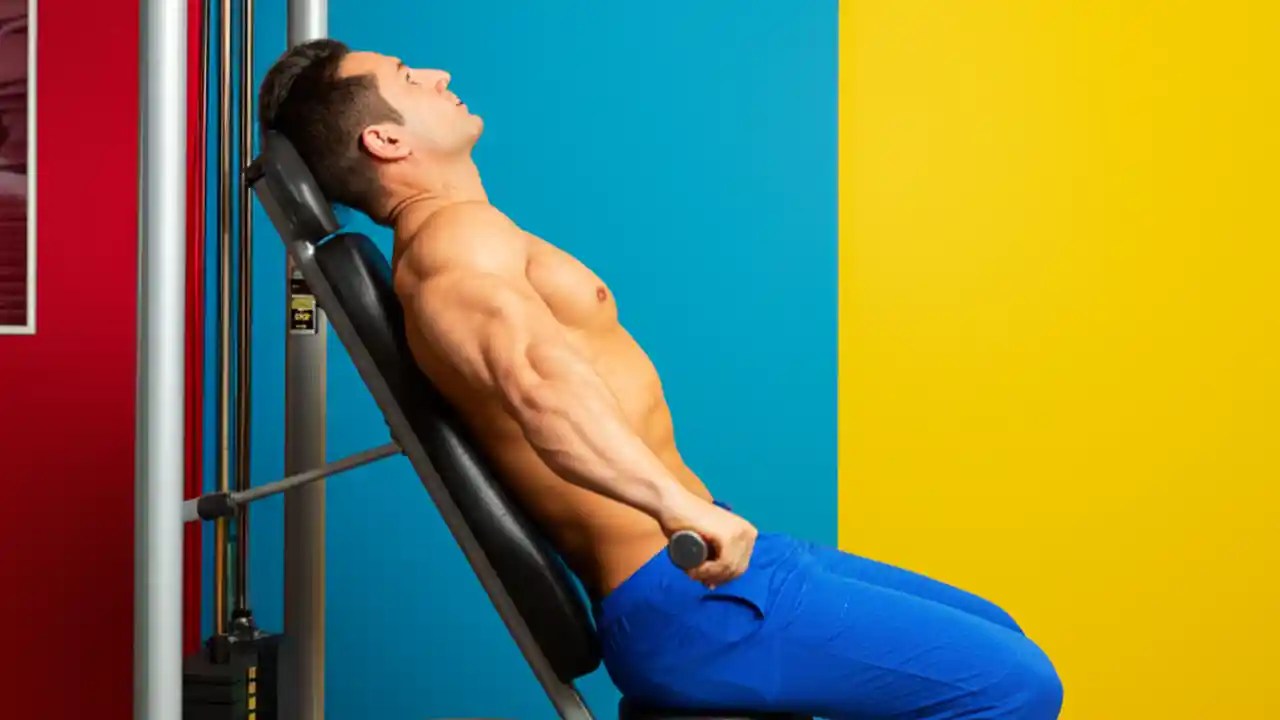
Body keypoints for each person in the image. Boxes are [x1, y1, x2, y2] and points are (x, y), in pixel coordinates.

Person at [258, 39, 1064, 720]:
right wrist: (673, 505)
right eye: (406, 78)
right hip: (689, 597)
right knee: (1017, 688)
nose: (433, 77)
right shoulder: (449, 249)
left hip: (714, 566)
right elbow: (538, 384)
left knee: (997, 636)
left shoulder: (472, 236)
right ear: (387, 142)